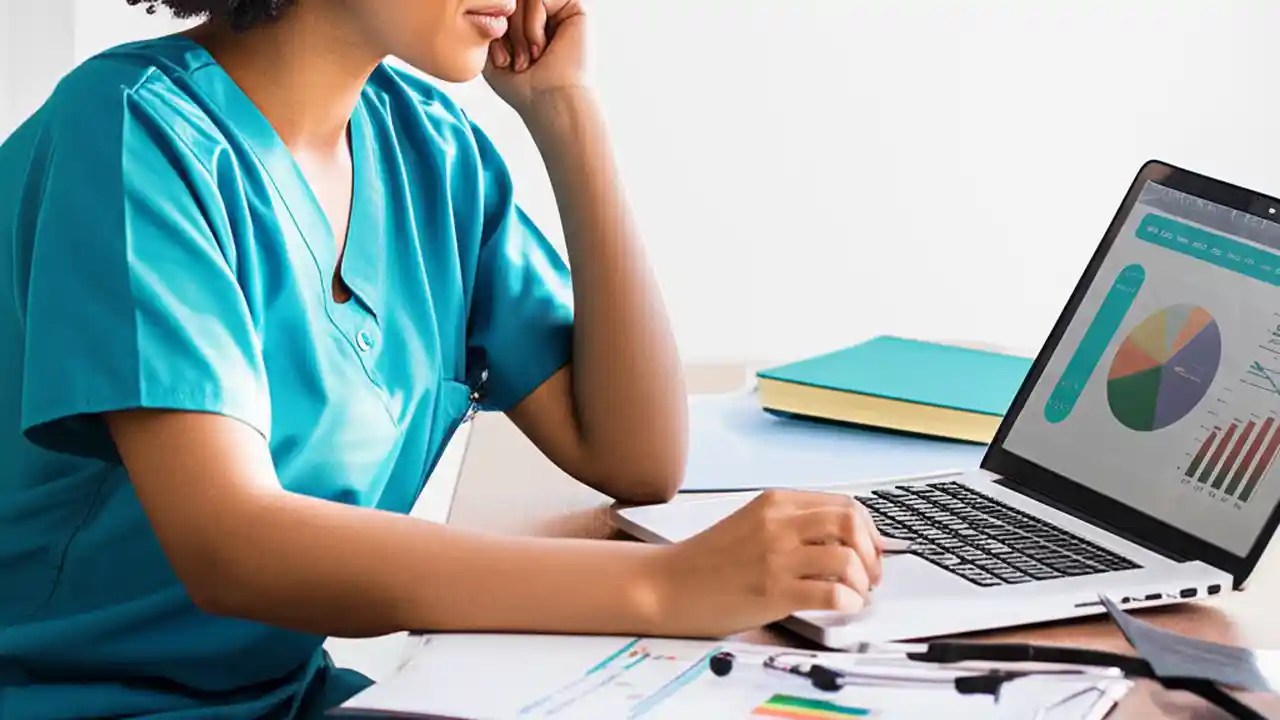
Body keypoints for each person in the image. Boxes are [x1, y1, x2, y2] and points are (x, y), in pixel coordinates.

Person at [0, 0, 884, 717]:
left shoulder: (429, 148)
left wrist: (567, 114)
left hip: (277, 697)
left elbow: (635, 456)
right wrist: (663, 586)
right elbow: (233, 545)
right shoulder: (127, 135)